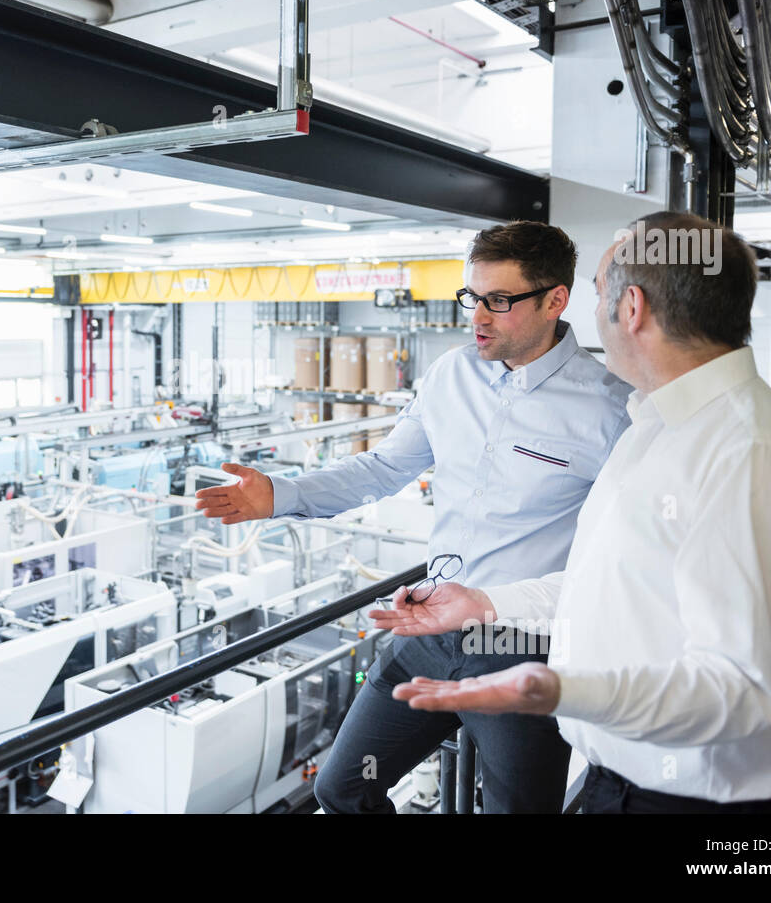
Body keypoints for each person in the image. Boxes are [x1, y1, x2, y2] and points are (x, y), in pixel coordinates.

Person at [384, 211, 771, 813]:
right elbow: (606, 584)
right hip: (624, 785)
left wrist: (556, 688)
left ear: (630, 307)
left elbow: (736, 691)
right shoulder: (655, 429)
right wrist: (488, 603)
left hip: (695, 809)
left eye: (600, 293)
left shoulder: (752, 456)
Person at [195, 221, 631, 813]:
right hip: (429, 627)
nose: (477, 316)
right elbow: (380, 469)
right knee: (342, 787)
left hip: (522, 643)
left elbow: (619, 557)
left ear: (555, 300)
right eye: (471, 297)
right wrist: (283, 494)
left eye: (499, 301)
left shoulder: (609, 409)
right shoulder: (450, 376)